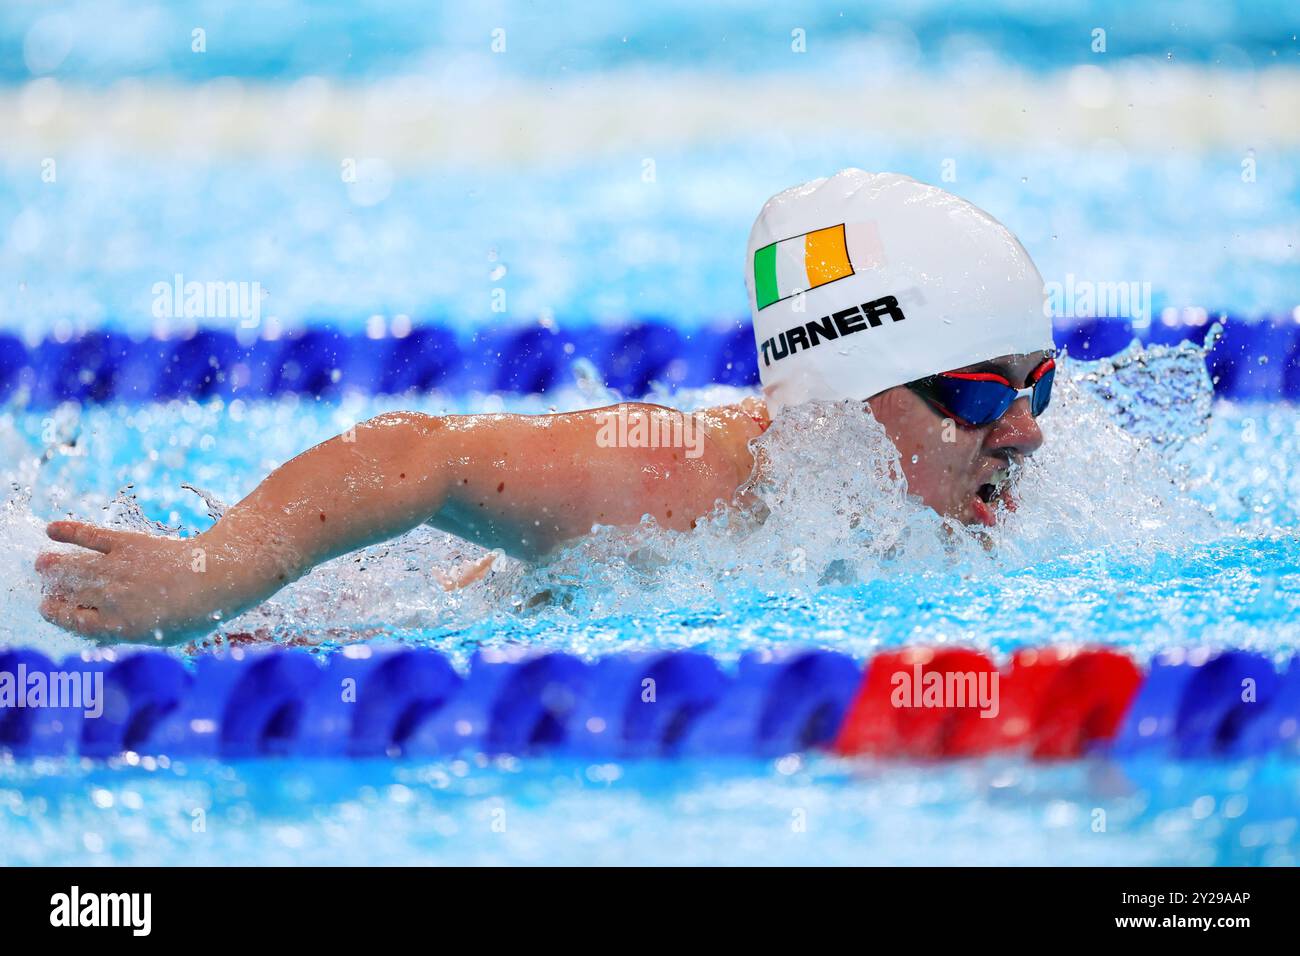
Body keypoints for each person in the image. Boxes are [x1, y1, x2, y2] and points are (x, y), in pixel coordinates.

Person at [35, 169, 1055, 644]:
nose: (1026, 430)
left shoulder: (1033, 495)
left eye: (1035, 382)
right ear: (834, 404)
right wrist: (216, 567)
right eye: (974, 392)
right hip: (407, 618)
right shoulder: (695, 473)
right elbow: (421, 453)